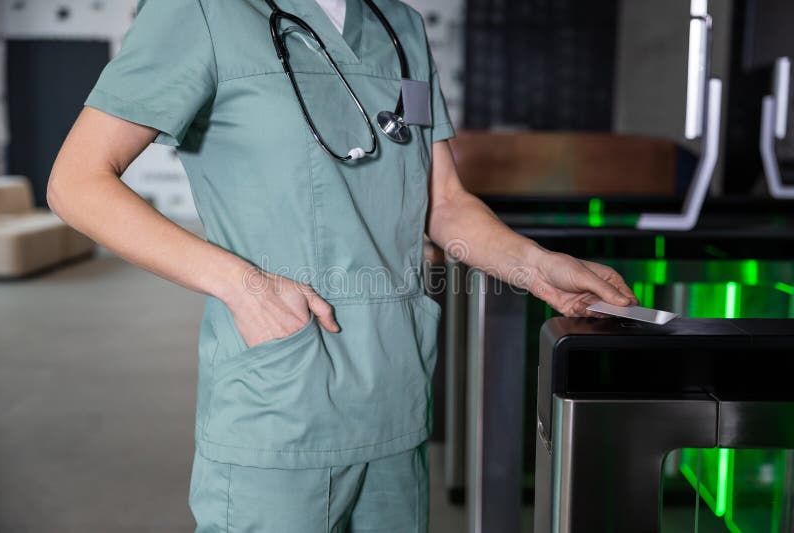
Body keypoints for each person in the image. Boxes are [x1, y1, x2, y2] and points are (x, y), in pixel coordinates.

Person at [47, 0, 637, 531]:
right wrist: (243, 286)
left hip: (396, 393)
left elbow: (445, 203)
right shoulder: (203, 13)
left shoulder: (399, 26)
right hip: (282, 395)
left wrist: (539, 267)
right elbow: (76, 183)